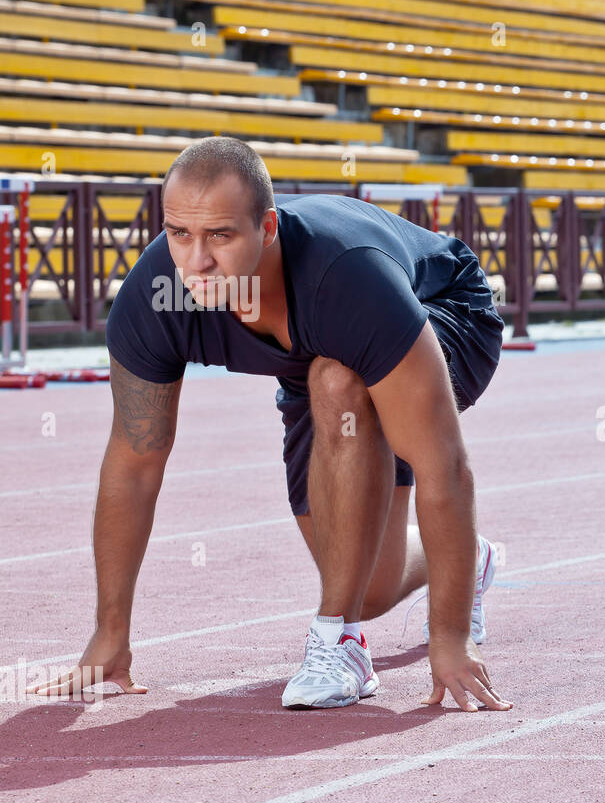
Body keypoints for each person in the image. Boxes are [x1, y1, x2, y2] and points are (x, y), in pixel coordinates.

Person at [28, 136, 511, 713]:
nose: (196, 261)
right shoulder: (154, 298)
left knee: (339, 380)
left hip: (441, 308)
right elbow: (133, 465)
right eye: (179, 234)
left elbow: (444, 465)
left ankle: (339, 643)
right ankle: (464, 558)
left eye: (221, 236)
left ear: (269, 229)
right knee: (371, 583)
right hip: (320, 354)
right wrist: (110, 634)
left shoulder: (350, 280)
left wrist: (450, 636)